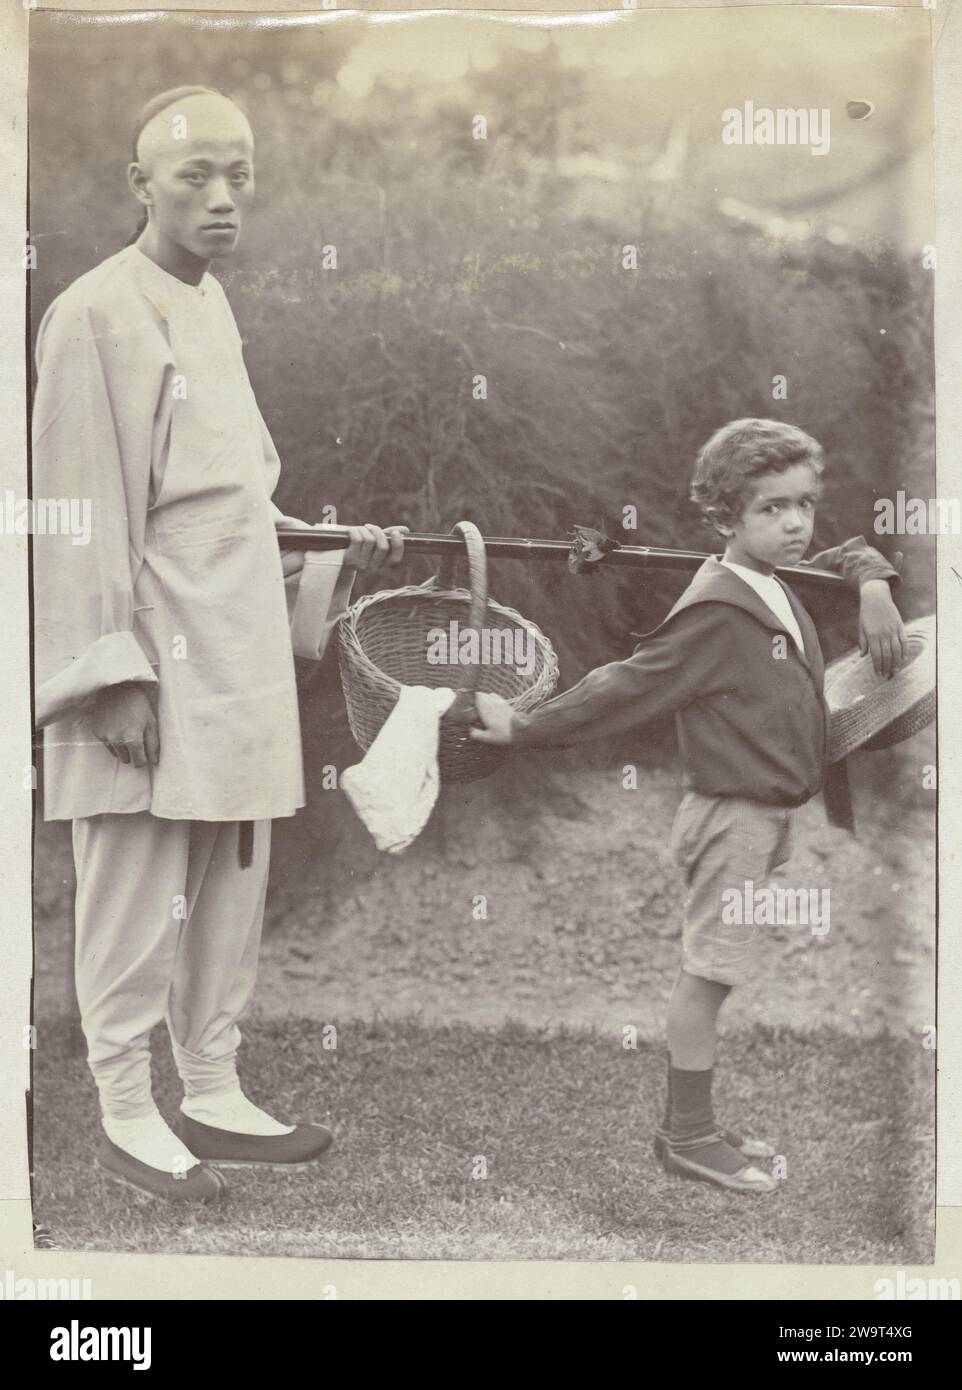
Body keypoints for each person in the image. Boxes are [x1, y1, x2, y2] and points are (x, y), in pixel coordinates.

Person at [33, 86, 407, 1202]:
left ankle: (210, 1088)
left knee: (227, 882)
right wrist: (109, 675)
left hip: (234, 651)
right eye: (194, 174)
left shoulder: (208, 304)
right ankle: (127, 1112)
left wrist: (333, 541)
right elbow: (82, 512)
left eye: (238, 173)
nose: (222, 196)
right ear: (139, 186)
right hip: (149, 654)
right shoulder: (95, 314)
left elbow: (229, 497)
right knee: (136, 887)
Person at [471, 417, 906, 1194]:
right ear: (725, 519)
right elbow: (627, 683)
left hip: (764, 815)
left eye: (805, 503)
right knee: (708, 976)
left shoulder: (774, 575)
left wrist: (872, 585)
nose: (797, 522)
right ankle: (690, 1137)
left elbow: (849, 553)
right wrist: (526, 726)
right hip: (731, 818)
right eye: (772, 509)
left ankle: (695, 1123)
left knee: (721, 973)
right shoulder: (716, 609)